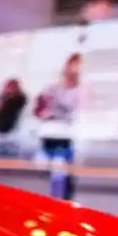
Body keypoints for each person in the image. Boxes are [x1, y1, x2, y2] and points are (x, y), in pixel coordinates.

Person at [36, 53, 82, 200]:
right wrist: (46, 114)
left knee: (65, 175)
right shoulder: (52, 89)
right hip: (53, 134)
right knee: (58, 174)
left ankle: (62, 202)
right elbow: (39, 107)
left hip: (67, 135)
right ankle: (57, 203)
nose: (75, 71)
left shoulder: (78, 90)